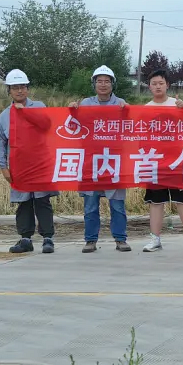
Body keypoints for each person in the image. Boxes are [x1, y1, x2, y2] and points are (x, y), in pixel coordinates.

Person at [69, 65, 131, 253]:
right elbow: (72, 128)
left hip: (113, 161)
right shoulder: (85, 104)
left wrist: (127, 112)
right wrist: (72, 112)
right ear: (94, 84)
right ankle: (90, 240)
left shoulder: (121, 103)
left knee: (118, 205)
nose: (103, 85)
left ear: (113, 84)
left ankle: (120, 239)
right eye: (99, 81)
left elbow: (130, 128)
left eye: (107, 81)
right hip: (90, 162)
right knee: (90, 205)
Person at [0, 69, 58, 254]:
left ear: (28, 89)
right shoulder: (4, 116)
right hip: (18, 165)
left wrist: (26, 113)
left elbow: (47, 125)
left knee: (42, 200)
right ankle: (25, 239)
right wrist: (3, 167)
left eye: (22, 87)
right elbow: (0, 141)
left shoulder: (39, 106)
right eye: (15, 87)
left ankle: (48, 238)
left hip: (40, 163)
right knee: (23, 203)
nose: (19, 91)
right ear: (9, 91)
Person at [140, 69, 183, 252]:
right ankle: (155, 239)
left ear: (167, 85)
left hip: (176, 159)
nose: (157, 86)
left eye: (161, 83)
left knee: (182, 200)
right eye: (154, 83)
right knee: (156, 202)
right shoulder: (146, 109)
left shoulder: (177, 104)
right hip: (155, 160)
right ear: (149, 87)